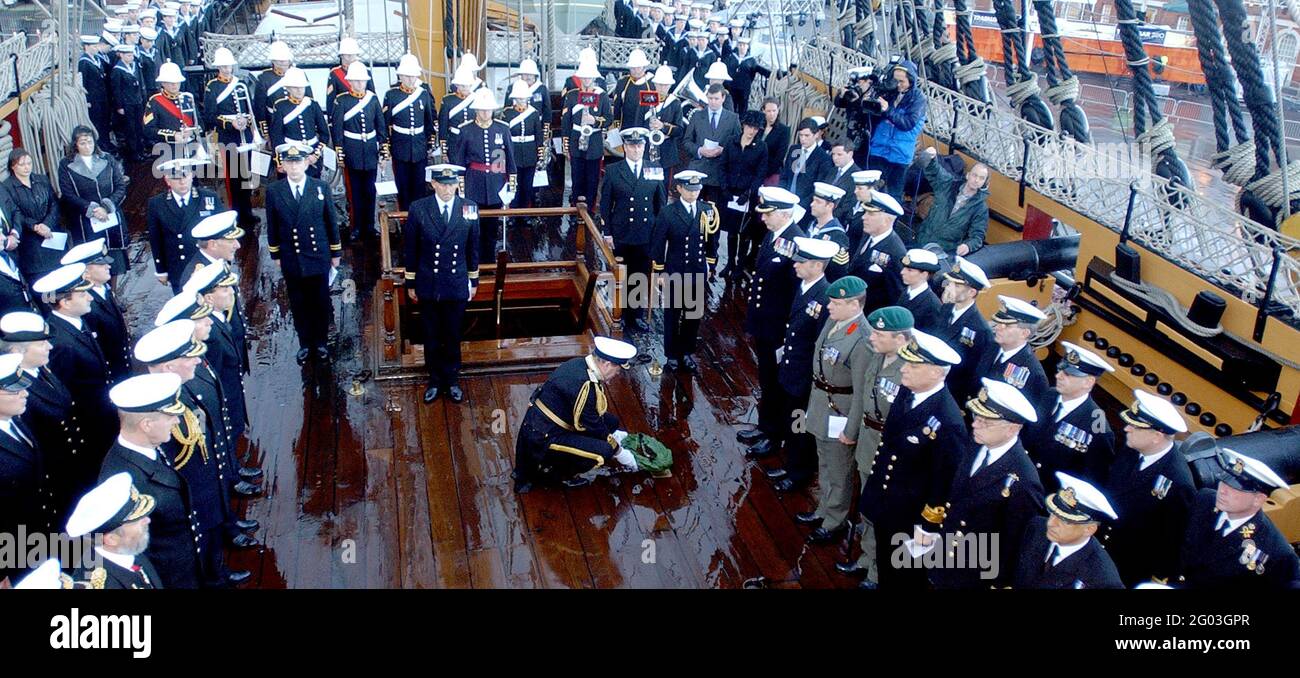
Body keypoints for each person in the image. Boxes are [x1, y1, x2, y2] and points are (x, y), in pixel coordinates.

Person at [136, 318, 250, 587]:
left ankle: (216, 571)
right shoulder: (160, 405)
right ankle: (214, 577)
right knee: (202, 545)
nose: (198, 360)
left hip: (207, 481)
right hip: (191, 490)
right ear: (167, 366)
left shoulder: (184, 384)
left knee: (210, 538)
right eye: (189, 357)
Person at [858, 330, 967, 589]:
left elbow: (945, 480)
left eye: (912, 365)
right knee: (887, 567)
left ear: (936, 372)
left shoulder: (947, 421)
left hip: (911, 517)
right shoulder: (909, 393)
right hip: (889, 504)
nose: (903, 369)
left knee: (906, 577)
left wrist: (928, 526)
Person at [927, 378, 1045, 589]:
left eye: (985, 421)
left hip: (975, 576)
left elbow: (1015, 544)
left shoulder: (1024, 481)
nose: (974, 424)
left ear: (1012, 428)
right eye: (976, 416)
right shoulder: (976, 443)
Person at [99, 372, 203, 588]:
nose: (177, 420)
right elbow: (135, 546)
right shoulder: (123, 481)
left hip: (188, 560)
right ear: (146, 424)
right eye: (169, 417)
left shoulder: (152, 445)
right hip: (170, 577)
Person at [834, 306, 913, 587]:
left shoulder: (909, 372)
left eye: (880, 334)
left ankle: (878, 571)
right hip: (867, 441)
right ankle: (868, 557)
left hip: (886, 451)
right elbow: (863, 399)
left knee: (882, 512)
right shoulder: (878, 358)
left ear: (901, 339)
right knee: (868, 505)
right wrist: (852, 430)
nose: (872, 337)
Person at [512, 337, 640, 492]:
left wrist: (611, 434)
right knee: (604, 452)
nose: (617, 374)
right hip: (544, 438)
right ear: (606, 364)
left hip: (548, 422)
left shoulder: (580, 365)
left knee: (611, 422)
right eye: (617, 369)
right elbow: (593, 426)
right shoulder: (585, 385)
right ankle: (559, 475)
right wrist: (619, 452)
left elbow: (592, 416)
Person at [736, 187, 806, 458]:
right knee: (766, 378)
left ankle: (774, 435)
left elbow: (795, 293)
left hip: (778, 328)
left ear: (785, 213)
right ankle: (765, 426)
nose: (763, 218)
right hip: (764, 324)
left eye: (769, 213)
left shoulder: (795, 244)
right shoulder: (773, 235)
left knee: (777, 383)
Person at [1102, 389, 1195, 587]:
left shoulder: (1178, 482)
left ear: (1156, 436)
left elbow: (1172, 541)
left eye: (1135, 427)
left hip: (1129, 568)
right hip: (1103, 548)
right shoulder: (1132, 449)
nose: (1127, 429)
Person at [403, 165, 479, 404]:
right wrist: (411, 282)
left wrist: (473, 280)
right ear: (433, 184)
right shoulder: (419, 208)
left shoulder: (469, 207)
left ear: (457, 184)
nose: (447, 189)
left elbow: (473, 247)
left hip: (456, 282)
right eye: (442, 184)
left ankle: (452, 379)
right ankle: (435, 380)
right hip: (429, 282)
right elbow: (411, 248)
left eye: (451, 184)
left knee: (453, 334)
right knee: (431, 334)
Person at [1, 312, 84, 524]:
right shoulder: (18, 402)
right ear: (19, 351)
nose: (50, 347)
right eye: (41, 344)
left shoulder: (41, 370)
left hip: (65, 481)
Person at [1177, 448, 1300, 589]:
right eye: (1223, 481)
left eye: (1234, 488)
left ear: (1258, 500)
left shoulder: (1275, 551)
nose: (1222, 490)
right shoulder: (1204, 500)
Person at [266, 143, 341, 366]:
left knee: (320, 300)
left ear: (307, 162)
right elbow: (272, 226)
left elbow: (331, 222)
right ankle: (305, 343)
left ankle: (321, 342)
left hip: (317, 255)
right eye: (289, 162)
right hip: (292, 255)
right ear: (283, 165)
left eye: (298, 161)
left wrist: (335, 252)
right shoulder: (274, 191)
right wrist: (276, 254)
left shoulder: (320, 188)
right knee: (298, 302)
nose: (294, 166)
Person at [34, 264, 116, 458]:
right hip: (90, 425)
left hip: (102, 413)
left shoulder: (77, 322)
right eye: (82, 295)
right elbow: (66, 393)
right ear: (66, 303)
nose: (89, 297)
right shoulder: (61, 343)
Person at [1024, 341, 1116, 493]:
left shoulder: (1097, 425)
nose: (1058, 376)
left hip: (1048, 497)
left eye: (1068, 374)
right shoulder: (1048, 396)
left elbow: (1092, 481)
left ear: (1088, 382)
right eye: (1061, 370)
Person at [649, 170, 717, 371]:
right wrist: (659, 270)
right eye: (689, 190)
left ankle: (687, 352)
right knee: (672, 314)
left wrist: (711, 265)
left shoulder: (707, 211)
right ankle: (671, 354)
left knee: (693, 314)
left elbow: (711, 240)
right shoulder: (668, 213)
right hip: (675, 270)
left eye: (696, 190)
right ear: (679, 189)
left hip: (697, 271)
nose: (693, 194)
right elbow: (659, 244)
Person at [599, 129, 665, 334]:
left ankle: (635, 316)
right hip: (622, 233)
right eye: (632, 146)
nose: (636, 149)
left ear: (644, 147)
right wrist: (607, 232)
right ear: (625, 147)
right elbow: (606, 204)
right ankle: (620, 314)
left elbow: (660, 204)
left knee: (640, 276)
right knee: (621, 276)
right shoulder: (613, 170)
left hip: (645, 233)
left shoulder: (654, 169)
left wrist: (660, 234)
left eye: (639, 146)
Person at [1014, 471, 1124, 589]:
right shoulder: (1037, 527)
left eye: (1064, 521)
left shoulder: (1103, 580)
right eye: (1052, 513)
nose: (1051, 523)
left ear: (1089, 529)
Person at [64, 472, 163, 589]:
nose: (147, 520)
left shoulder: (129, 550)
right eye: (137, 520)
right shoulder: (99, 583)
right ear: (111, 539)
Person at [450, 87, 515, 259]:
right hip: (473, 186)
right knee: (471, 227)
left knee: (491, 229)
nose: (485, 113)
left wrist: (511, 189)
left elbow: (510, 161)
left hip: (496, 186)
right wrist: (461, 190)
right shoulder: (465, 130)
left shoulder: (503, 129)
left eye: (488, 109)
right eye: (482, 109)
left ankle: (488, 262)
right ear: (476, 110)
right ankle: (472, 261)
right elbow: (459, 163)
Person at [147, 158, 224, 293]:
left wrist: (224, 260)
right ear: (167, 180)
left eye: (185, 176)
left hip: (207, 263)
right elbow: (156, 239)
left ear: (192, 175)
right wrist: (161, 270)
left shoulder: (208, 198)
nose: (182, 182)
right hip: (179, 267)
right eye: (176, 179)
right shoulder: (157, 204)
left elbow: (222, 231)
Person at [57, 126, 129, 272]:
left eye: (90, 142)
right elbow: (68, 194)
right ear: (75, 145)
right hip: (85, 220)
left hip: (110, 216)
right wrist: (91, 209)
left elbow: (120, 186)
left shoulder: (108, 159)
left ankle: (113, 291)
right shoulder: (65, 165)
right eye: (82, 143)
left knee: (115, 258)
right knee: (93, 259)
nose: (87, 146)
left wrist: (107, 206)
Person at [203, 47, 259, 227]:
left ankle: (247, 212)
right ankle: (237, 213)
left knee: (246, 176)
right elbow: (210, 116)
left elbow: (248, 107)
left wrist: (247, 120)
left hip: (245, 136)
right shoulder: (213, 87)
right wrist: (230, 124)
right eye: (224, 66)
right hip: (229, 137)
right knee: (234, 179)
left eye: (229, 66)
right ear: (218, 67)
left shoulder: (240, 82)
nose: (228, 69)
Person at [973, 295, 1052, 421]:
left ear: (1024, 333)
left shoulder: (1034, 374)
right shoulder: (991, 347)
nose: (998, 327)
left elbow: (1031, 419)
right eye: (1000, 323)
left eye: (1007, 326)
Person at [62, 239, 131, 382]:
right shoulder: (86, 306)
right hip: (110, 374)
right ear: (86, 273)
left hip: (121, 365)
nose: (108, 266)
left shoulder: (103, 288)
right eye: (101, 264)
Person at [333, 61, 387, 241]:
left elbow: (381, 126)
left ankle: (370, 226)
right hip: (352, 150)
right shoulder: (342, 100)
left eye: (362, 81)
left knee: (370, 191)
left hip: (370, 150)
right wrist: (340, 153)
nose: (359, 84)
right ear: (350, 82)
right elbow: (338, 129)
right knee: (355, 191)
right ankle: (356, 226)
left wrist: (383, 151)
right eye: (356, 81)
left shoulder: (372, 99)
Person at [934, 256, 993, 405]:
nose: (950, 288)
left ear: (972, 292)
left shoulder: (980, 329)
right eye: (951, 283)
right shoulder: (946, 309)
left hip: (952, 394)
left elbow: (977, 372)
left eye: (957, 286)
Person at [384, 54, 439, 212]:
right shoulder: (391, 95)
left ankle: (420, 218)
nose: (410, 79)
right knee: (403, 187)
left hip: (420, 147)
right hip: (400, 147)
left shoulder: (423, 94)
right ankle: (404, 219)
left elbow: (430, 121)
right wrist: (386, 147)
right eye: (407, 76)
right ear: (400, 76)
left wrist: (429, 142)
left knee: (420, 186)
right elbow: (385, 123)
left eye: (413, 76)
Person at [866, 59, 926, 202]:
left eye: (901, 81)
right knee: (871, 188)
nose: (897, 85)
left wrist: (888, 110)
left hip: (899, 154)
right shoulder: (890, 92)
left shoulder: (918, 99)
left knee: (893, 194)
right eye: (895, 80)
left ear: (911, 81)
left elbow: (908, 123)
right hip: (879, 149)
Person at [913, 146, 988, 256]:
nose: (976, 180)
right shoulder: (948, 184)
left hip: (944, 251)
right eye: (974, 175)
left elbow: (978, 236)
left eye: (981, 178)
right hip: (921, 240)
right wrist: (931, 156)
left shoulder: (980, 208)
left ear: (985, 183)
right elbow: (935, 172)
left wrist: (968, 246)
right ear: (968, 175)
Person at [3, 149, 66, 279]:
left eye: (29, 163)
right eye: (22, 164)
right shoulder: (6, 187)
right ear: (13, 166)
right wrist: (35, 226)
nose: (27, 167)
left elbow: (53, 203)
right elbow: (15, 212)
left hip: (51, 232)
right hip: (30, 239)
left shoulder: (41, 179)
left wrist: (47, 224)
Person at [720, 111, 768, 279]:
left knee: (744, 233)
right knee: (732, 232)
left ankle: (739, 266)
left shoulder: (761, 147)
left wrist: (749, 193)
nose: (752, 131)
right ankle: (730, 263)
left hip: (746, 195)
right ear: (743, 125)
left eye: (755, 128)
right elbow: (723, 165)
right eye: (749, 126)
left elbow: (760, 174)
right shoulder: (731, 141)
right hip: (730, 193)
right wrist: (724, 187)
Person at [560, 59, 613, 208]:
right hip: (576, 140)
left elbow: (609, 119)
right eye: (584, 76)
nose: (586, 80)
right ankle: (575, 210)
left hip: (594, 142)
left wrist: (594, 120)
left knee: (592, 180)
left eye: (589, 77)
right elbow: (566, 123)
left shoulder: (601, 96)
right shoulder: (571, 96)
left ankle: (590, 209)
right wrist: (566, 146)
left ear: (594, 78)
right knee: (577, 179)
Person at [846, 190, 906, 313]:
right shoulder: (868, 235)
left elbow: (894, 296)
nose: (863, 217)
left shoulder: (895, 252)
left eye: (870, 214)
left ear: (886, 220)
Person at [269, 67, 331, 179]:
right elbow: (276, 136)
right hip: (290, 154)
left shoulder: (313, 105)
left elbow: (324, 134)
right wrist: (281, 160)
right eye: (295, 88)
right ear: (288, 88)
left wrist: (316, 155)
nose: (299, 90)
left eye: (301, 87)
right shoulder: (280, 106)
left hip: (311, 154)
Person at [255, 41, 316, 142]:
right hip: (274, 123)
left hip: (297, 124)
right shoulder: (264, 78)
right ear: (273, 61)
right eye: (280, 61)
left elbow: (309, 100)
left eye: (285, 60)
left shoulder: (299, 74)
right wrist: (265, 134)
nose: (283, 63)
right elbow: (260, 109)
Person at [143, 62, 203, 159]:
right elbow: (148, 130)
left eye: (177, 81)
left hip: (191, 148)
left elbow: (200, 123)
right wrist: (173, 135)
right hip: (169, 150)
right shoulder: (155, 101)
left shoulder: (188, 98)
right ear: (163, 83)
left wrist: (192, 132)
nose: (174, 85)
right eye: (170, 82)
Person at [503, 79, 546, 210]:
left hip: (530, 153)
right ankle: (513, 212)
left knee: (527, 185)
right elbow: (505, 136)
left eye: (524, 98)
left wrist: (540, 155)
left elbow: (539, 136)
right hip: (514, 152)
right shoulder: (507, 114)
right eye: (519, 98)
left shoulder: (533, 114)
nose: (521, 100)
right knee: (514, 184)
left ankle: (526, 211)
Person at [778, 117, 834, 217]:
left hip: (804, 208)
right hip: (785, 201)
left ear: (816, 135)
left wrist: (801, 206)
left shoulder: (823, 158)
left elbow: (818, 187)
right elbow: (786, 175)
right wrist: (781, 195)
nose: (803, 139)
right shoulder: (795, 150)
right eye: (801, 135)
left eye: (807, 135)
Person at [645, 65, 685, 186]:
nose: (662, 88)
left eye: (665, 85)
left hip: (666, 153)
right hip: (648, 150)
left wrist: (663, 126)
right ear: (655, 84)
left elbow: (679, 130)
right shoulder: (646, 99)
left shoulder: (675, 103)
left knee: (663, 188)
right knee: (648, 185)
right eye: (660, 84)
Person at [805, 182, 852, 282]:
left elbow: (838, 271)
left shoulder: (838, 235)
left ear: (830, 205)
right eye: (813, 200)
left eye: (818, 202)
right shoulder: (811, 225)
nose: (812, 204)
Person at [109, 43, 148, 162]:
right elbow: (116, 89)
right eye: (129, 55)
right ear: (121, 55)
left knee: (139, 127)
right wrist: (119, 106)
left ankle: (141, 149)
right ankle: (134, 152)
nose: (131, 57)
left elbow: (141, 83)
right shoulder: (117, 70)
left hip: (137, 101)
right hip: (127, 103)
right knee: (130, 128)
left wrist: (143, 98)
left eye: (132, 55)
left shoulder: (135, 66)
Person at [78, 36, 115, 155]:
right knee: (97, 122)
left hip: (102, 97)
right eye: (94, 46)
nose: (96, 48)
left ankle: (106, 142)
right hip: (93, 99)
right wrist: (87, 99)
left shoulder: (96, 60)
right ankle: (99, 146)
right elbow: (83, 82)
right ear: (86, 47)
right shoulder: (84, 62)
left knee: (105, 121)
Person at [438, 63, 480, 161]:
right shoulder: (448, 100)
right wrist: (444, 151)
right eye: (462, 85)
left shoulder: (477, 99)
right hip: (454, 142)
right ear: (456, 85)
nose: (465, 88)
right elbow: (443, 127)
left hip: (473, 141)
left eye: (467, 85)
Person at [325, 37, 374, 121]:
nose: (350, 57)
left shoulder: (365, 71)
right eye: (347, 55)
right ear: (341, 55)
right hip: (345, 116)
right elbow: (331, 100)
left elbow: (372, 96)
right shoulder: (335, 74)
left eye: (353, 54)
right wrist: (331, 120)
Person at [896, 248, 942, 333]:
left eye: (909, 270)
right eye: (904, 268)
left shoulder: (932, 305)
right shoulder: (906, 292)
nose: (902, 272)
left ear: (924, 274)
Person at [837, 169, 880, 259]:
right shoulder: (854, 202)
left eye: (860, 188)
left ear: (871, 189)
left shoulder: (875, 212)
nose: (855, 191)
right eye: (856, 188)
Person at [612, 48, 655, 128]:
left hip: (647, 129)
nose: (635, 70)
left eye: (638, 67)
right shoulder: (622, 83)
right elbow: (617, 109)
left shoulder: (653, 83)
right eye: (633, 68)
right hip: (625, 127)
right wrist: (616, 127)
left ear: (644, 67)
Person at [726, 36, 770, 113]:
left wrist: (774, 74)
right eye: (740, 45)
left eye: (744, 45)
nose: (742, 47)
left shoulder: (751, 60)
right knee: (731, 107)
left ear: (747, 47)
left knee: (742, 109)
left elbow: (760, 70)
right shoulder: (732, 57)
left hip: (744, 89)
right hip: (732, 88)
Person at [759, 98, 790, 186]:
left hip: (770, 173)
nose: (772, 114)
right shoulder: (759, 126)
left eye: (774, 110)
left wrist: (764, 173)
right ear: (763, 110)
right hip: (753, 169)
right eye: (769, 111)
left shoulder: (784, 130)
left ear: (778, 110)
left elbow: (779, 156)